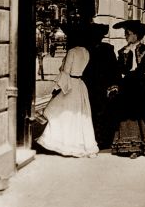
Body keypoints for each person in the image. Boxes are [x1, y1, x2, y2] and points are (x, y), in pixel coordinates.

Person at [36, 23, 99, 158]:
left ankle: (62, 143)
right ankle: (79, 143)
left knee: (60, 113)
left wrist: (56, 88)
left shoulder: (72, 51)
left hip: (70, 84)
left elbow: (66, 72)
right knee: (79, 116)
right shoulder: (86, 52)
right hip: (80, 85)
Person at [110, 20, 145, 158]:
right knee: (126, 114)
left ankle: (142, 146)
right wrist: (115, 86)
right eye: (125, 34)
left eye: (127, 34)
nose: (125, 36)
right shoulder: (122, 51)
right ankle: (129, 145)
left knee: (142, 114)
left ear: (135, 35)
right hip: (126, 85)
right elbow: (117, 71)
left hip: (140, 85)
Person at [81, 22, 120, 151]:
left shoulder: (103, 49)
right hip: (93, 84)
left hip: (97, 85)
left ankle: (100, 139)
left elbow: (114, 69)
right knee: (98, 112)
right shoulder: (103, 48)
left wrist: (114, 84)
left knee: (98, 112)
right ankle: (99, 139)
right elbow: (114, 69)